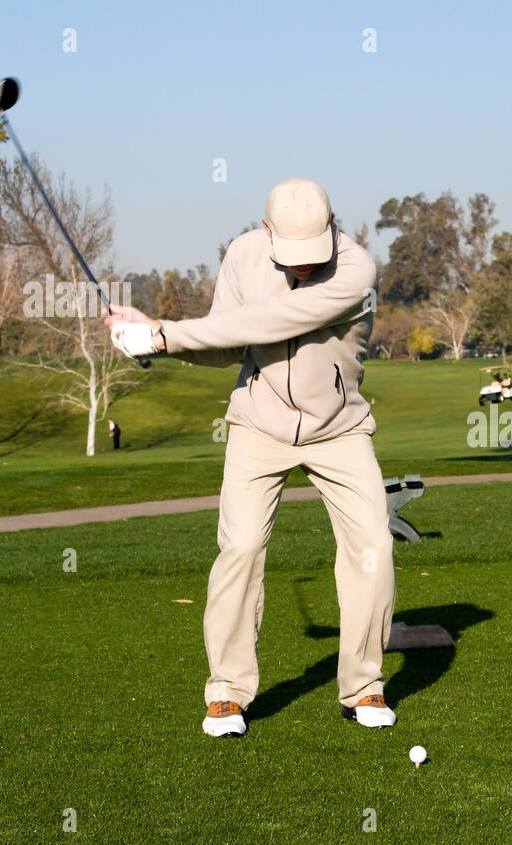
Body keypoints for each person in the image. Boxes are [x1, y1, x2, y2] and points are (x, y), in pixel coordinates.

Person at [105, 178, 395, 737]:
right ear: (267, 232)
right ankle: (227, 694)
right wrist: (151, 338)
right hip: (258, 421)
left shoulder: (357, 269)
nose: (305, 268)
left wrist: (165, 335)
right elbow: (227, 344)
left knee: (373, 546)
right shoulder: (242, 254)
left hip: (338, 425)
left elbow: (278, 321)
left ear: (333, 230)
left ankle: (363, 684)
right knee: (239, 546)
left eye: (315, 256)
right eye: (294, 258)